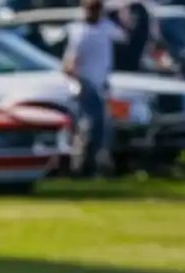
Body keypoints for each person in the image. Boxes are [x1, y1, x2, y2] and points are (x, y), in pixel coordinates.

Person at [63, 0, 126, 177]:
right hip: (87, 85)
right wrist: (80, 83)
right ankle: (85, 167)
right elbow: (68, 65)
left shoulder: (106, 28)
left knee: (103, 127)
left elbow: (123, 35)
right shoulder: (79, 32)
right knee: (92, 127)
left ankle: (96, 164)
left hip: (101, 85)